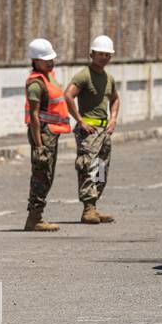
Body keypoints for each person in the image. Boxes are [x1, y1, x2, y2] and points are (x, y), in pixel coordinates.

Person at [66, 35, 120, 223]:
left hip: (104, 132)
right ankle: (88, 208)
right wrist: (80, 121)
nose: (104, 57)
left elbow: (115, 99)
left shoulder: (108, 78)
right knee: (88, 167)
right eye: (100, 54)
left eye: (107, 54)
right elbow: (68, 95)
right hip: (88, 132)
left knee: (102, 169)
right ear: (92, 54)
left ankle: (94, 205)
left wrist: (113, 119)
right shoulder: (84, 75)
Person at [23, 38, 72, 231]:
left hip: (51, 133)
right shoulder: (36, 83)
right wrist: (39, 144)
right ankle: (34, 218)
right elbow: (34, 116)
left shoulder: (48, 77)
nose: (51, 62)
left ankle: (37, 216)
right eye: (46, 60)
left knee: (47, 174)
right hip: (42, 134)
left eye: (52, 59)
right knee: (41, 174)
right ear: (35, 61)